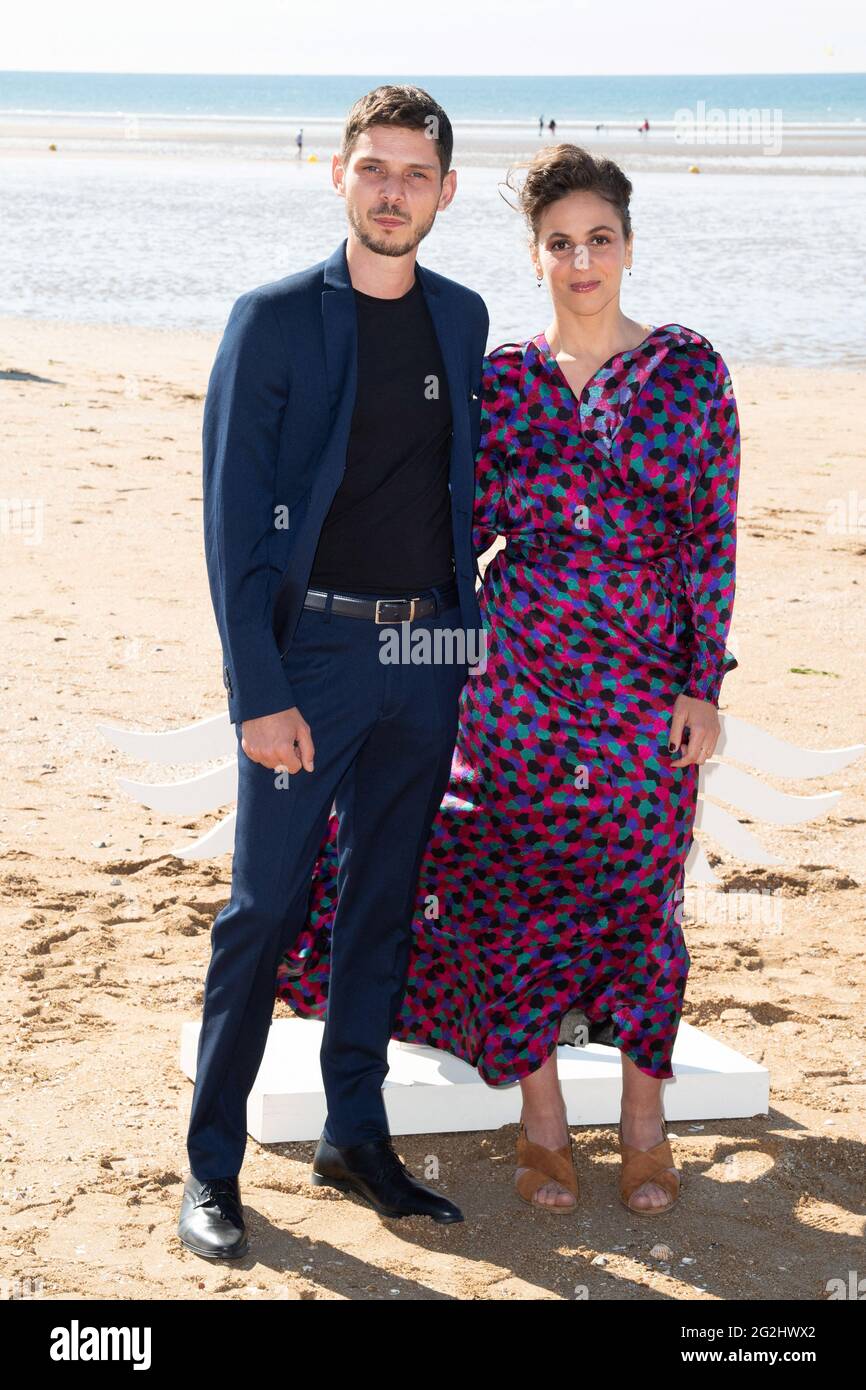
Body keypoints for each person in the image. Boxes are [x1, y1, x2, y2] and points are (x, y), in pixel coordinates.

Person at [276, 144, 741, 1217]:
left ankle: (641, 1121)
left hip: (640, 678)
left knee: (640, 892)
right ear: (534, 257)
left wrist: (699, 680)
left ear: (627, 246)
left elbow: (711, 539)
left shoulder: (687, 369)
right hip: (519, 671)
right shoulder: (504, 381)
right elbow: (450, 531)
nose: (581, 261)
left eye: (599, 239)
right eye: (559, 244)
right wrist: (370, 631)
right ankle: (540, 1125)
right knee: (515, 883)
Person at [178, 84, 489, 1260]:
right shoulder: (269, 319)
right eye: (373, 168)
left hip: (429, 653)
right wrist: (256, 688)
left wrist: (463, 644)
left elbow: (459, 491)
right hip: (307, 652)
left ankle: (355, 1133)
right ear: (339, 178)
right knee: (260, 908)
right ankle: (210, 1167)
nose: (392, 189)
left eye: (415, 172)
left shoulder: (461, 318)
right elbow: (228, 525)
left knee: (381, 900)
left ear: (445, 192)